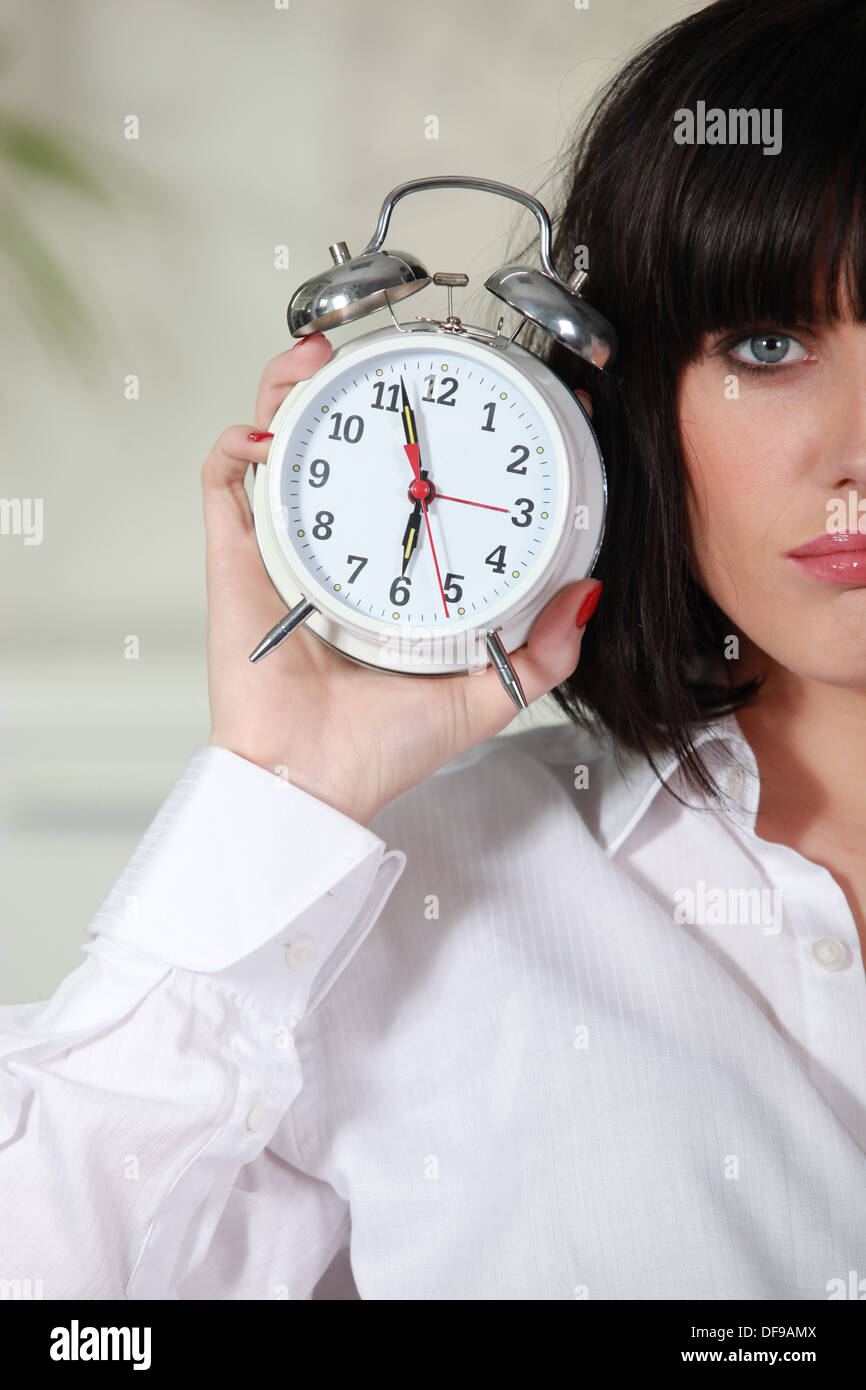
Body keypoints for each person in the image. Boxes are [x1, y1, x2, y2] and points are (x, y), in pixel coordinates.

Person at [2, 0, 865, 1300]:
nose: (850, 453)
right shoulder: (402, 902)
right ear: (629, 419)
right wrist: (286, 790)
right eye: (762, 345)